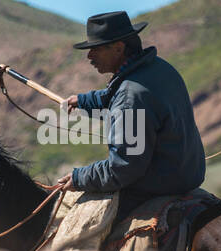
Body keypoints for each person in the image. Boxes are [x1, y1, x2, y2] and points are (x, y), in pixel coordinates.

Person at [53, 11, 206, 220]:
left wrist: (80, 177)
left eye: (95, 49)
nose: (89, 56)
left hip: (156, 186)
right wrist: (82, 101)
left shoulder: (130, 95)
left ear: (118, 48)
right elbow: (114, 97)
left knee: (71, 231)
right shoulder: (158, 69)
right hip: (187, 175)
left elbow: (123, 168)